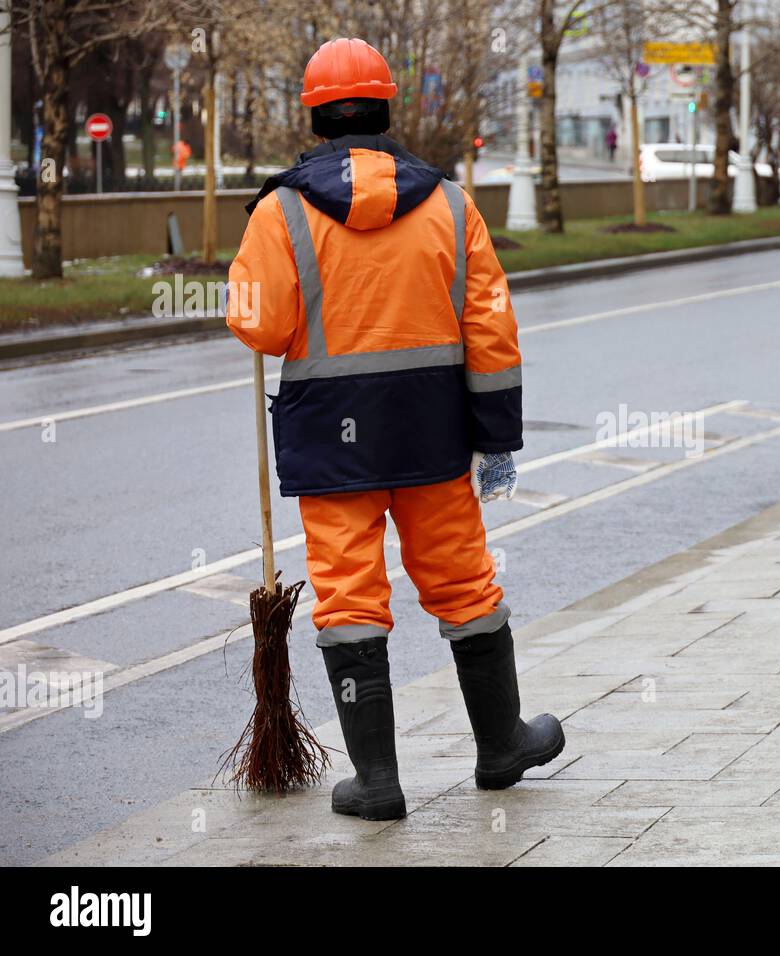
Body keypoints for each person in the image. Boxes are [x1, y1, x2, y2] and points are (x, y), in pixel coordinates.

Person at [226, 38, 564, 822]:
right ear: (387, 108)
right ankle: (501, 744)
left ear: (314, 116)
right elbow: (492, 332)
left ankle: (377, 781)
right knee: (463, 583)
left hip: (329, 444)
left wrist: (248, 281)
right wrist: (497, 436)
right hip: (431, 438)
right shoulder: (451, 204)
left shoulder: (280, 212)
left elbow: (263, 327)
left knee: (349, 594)